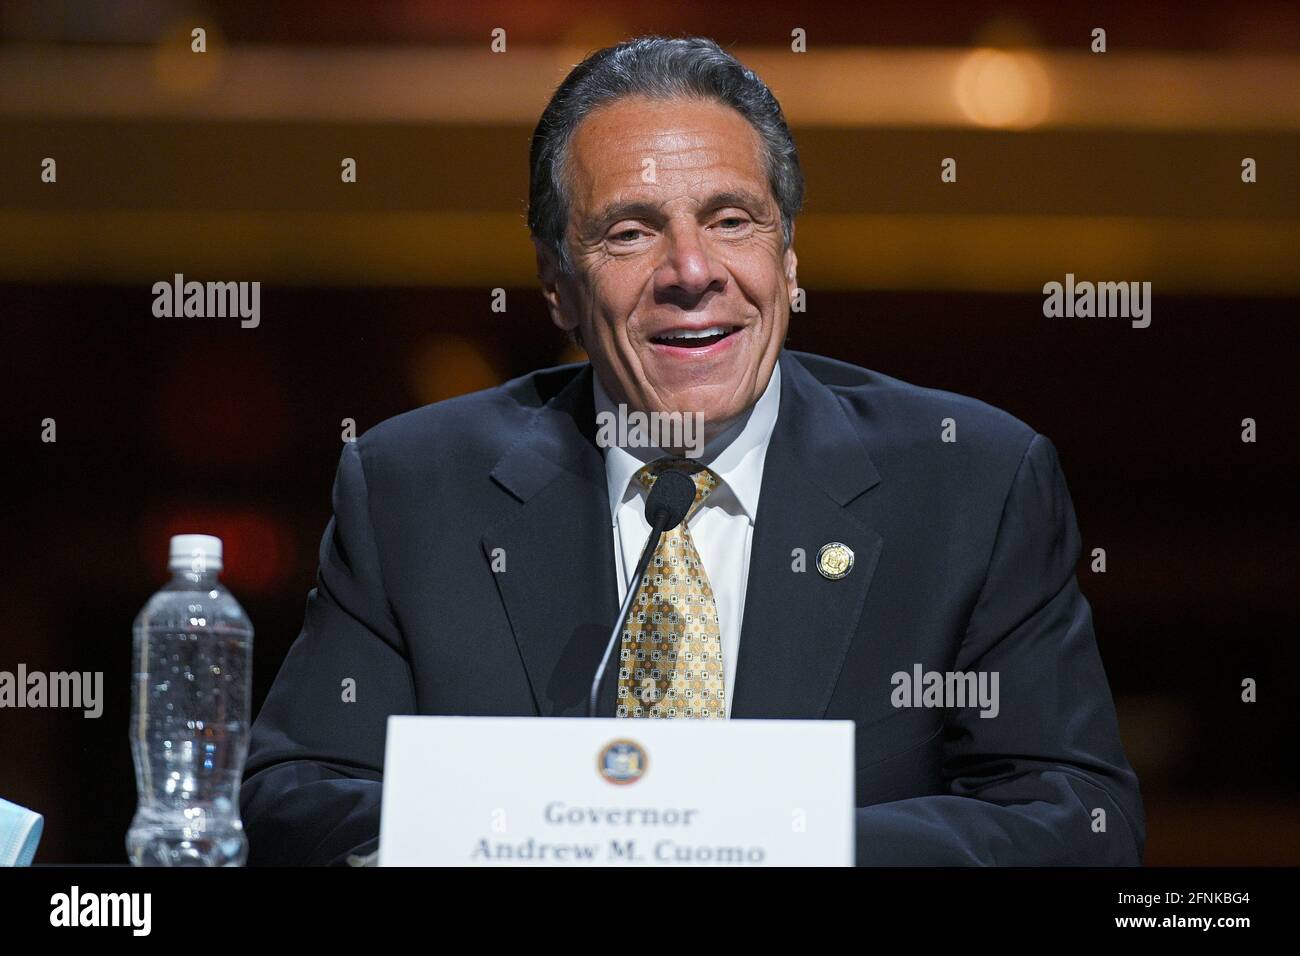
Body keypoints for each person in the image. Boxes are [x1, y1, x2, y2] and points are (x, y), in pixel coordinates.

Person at [240, 35, 1144, 866]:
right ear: (557, 285)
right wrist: (547, 836)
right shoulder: (414, 490)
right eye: (629, 231)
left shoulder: (971, 484)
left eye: (732, 221)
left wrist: (757, 842)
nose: (691, 272)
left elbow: (1073, 816)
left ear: (789, 259)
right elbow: (294, 798)